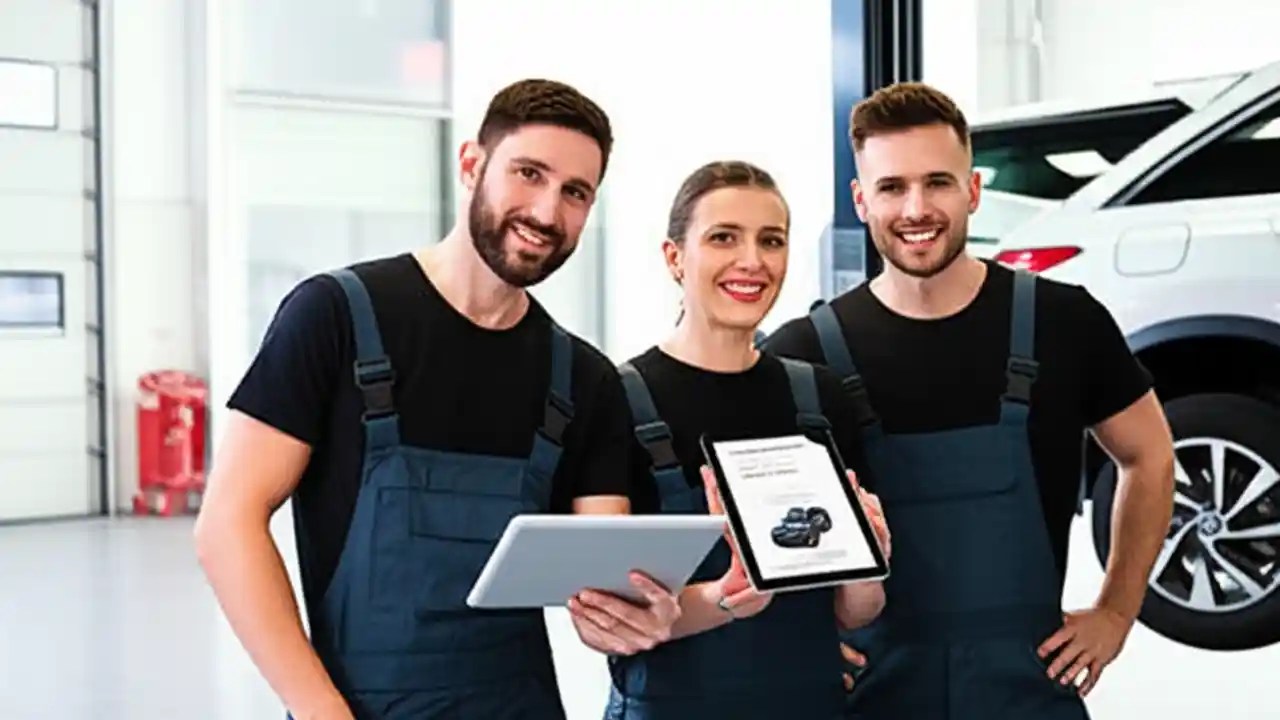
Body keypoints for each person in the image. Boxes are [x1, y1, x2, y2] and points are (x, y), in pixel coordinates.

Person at [193, 78, 682, 720]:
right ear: (472, 164)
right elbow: (227, 523)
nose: (545, 212)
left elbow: (601, 566)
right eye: (528, 173)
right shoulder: (334, 317)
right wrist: (317, 709)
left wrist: (637, 613)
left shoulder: (582, 378)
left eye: (575, 193)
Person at [763, 82, 1177, 718]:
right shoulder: (804, 355)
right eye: (893, 187)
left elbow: (1149, 455)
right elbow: (771, 526)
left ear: (974, 190)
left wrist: (1118, 610)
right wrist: (798, 644)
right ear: (861, 200)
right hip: (873, 699)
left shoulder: (1063, 322)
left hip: (1030, 691)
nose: (916, 207)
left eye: (938, 183)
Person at [574, 160, 892, 719]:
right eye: (724, 238)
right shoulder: (616, 399)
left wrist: (871, 563)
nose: (752, 261)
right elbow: (608, 615)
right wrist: (731, 594)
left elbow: (853, 613)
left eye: (771, 241)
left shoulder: (819, 399)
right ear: (674, 257)